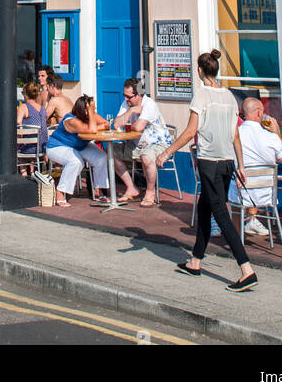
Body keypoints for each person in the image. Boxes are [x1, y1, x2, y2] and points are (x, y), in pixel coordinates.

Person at [158, 49, 257, 292]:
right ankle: (195, 261)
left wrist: (167, 152)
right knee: (205, 208)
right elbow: (235, 135)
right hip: (227, 163)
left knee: (221, 215)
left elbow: (191, 131)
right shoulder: (229, 97)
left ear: (200, 71)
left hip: (209, 162)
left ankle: (246, 269)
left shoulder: (201, 96)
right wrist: (241, 166)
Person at [231, 97, 282, 235]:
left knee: (234, 190)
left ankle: (236, 239)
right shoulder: (270, 137)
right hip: (266, 194)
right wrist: (277, 133)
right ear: (259, 113)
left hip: (242, 193)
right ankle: (251, 221)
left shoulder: (234, 134)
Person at [116, 79, 173, 207]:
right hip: (138, 144)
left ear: (139, 95)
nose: (126, 99)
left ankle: (150, 192)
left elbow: (138, 127)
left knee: (146, 157)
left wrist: (129, 115)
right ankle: (131, 187)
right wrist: (131, 111)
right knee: (111, 152)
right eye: (124, 96)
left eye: (129, 96)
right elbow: (116, 123)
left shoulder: (149, 104)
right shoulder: (127, 104)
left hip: (158, 144)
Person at [45, 95, 109, 206]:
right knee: (76, 162)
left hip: (79, 146)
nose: (94, 111)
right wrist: (95, 123)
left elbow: (106, 124)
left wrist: (92, 115)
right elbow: (92, 129)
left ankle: (100, 190)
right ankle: (60, 192)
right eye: (91, 109)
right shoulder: (71, 120)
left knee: (101, 157)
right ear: (84, 110)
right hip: (57, 147)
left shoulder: (89, 116)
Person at [17, 81, 48, 172]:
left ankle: (23, 173)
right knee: (28, 139)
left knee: (16, 144)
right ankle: (32, 169)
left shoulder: (24, 107)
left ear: (26, 94)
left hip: (29, 148)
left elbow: (18, 123)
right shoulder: (42, 108)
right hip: (42, 147)